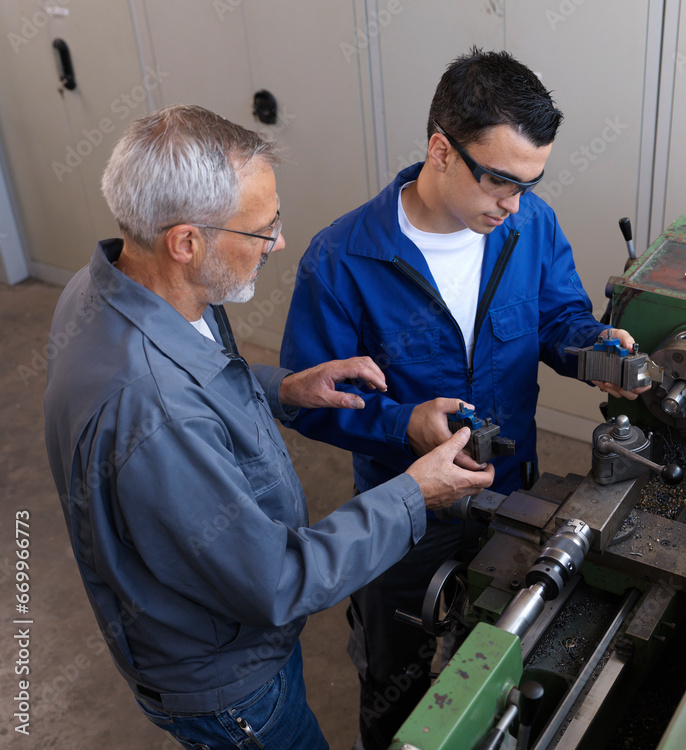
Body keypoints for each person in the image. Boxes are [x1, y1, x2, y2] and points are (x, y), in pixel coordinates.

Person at [43, 104, 494, 750]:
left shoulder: (119, 286)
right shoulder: (151, 408)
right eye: (261, 231)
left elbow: (197, 375)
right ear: (186, 242)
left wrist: (280, 388)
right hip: (232, 688)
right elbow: (280, 581)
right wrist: (414, 493)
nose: (279, 244)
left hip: (204, 626)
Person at [279, 49, 649, 748]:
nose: (514, 204)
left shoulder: (528, 225)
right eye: (501, 182)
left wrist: (594, 349)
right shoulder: (341, 260)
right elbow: (307, 401)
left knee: (508, 661)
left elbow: (556, 319)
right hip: (405, 517)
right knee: (397, 684)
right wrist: (403, 425)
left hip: (516, 500)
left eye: (530, 184)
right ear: (441, 150)